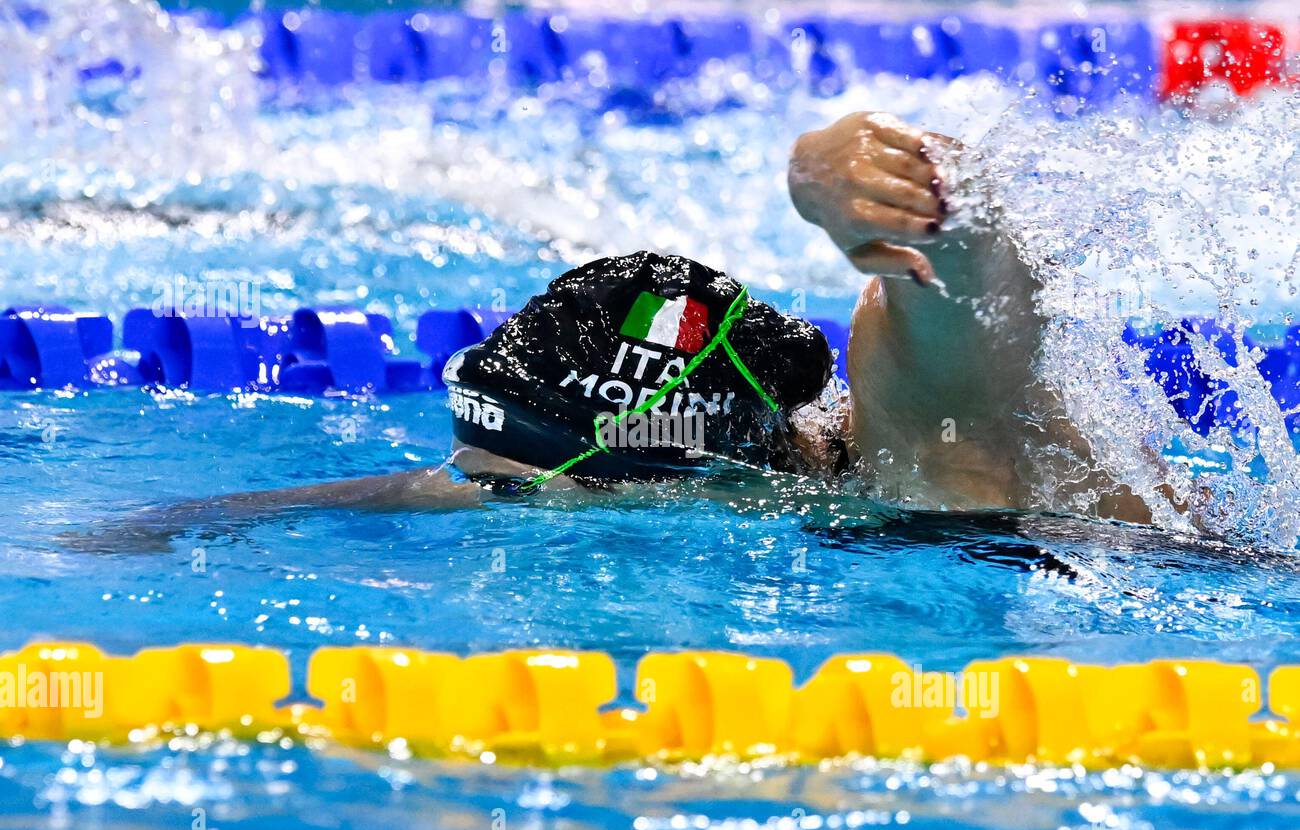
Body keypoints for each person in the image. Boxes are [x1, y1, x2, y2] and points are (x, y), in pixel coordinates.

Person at [71, 110, 1156, 553]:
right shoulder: (657, 459)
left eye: (518, 481)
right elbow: (478, 472)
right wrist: (161, 522)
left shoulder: (919, 432)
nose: (484, 487)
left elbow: (983, 274)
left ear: (663, 460)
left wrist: (827, 179)